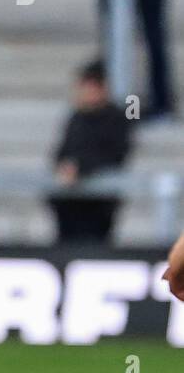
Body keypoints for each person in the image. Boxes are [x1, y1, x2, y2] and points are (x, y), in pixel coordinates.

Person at [48, 60, 133, 245]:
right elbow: (60, 152)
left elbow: (114, 155)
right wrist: (64, 168)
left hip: (98, 207)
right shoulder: (76, 117)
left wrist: (80, 168)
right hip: (69, 204)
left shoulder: (116, 119)